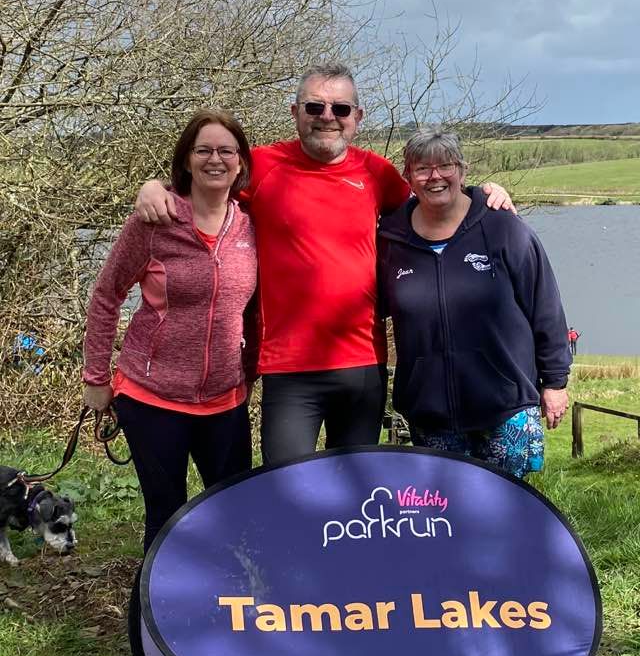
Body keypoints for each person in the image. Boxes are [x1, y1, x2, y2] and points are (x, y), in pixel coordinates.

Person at [135, 65, 515, 466]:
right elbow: (202, 184)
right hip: (288, 367)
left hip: (362, 366)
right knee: (288, 487)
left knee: (353, 494)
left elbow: (433, 203)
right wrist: (154, 187)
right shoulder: (261, 166)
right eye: (315, 107)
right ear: (296, 111)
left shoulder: (376, 173)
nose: (328, 117)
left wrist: (481, 192)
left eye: (340, 109)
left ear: (358, 117)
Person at [83, 109, 257, 550]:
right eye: (203, 150)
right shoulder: (154, 221)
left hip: (225, 397)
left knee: (235, 510)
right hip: (152, 395)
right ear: (186, 161)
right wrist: (95, 379)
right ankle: (157, 614)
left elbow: (257, 308)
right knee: (166, 516)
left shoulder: (252, 224)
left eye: (225, 151)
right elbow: (107, 295)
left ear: (240, 163)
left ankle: (232, 609)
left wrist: (252, 369)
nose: (214, 159)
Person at [378, 130, 570, 479]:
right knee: (444, 520)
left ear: (463, 171)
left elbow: (546, 305)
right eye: (422, 169)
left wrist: (555, 382)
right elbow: (366, 306)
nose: (435, 177)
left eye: (446, 166)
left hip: (505, 406)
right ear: (407, 177)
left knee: (508, 514)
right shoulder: (390, 241)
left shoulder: (503, 229)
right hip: (430, 412)